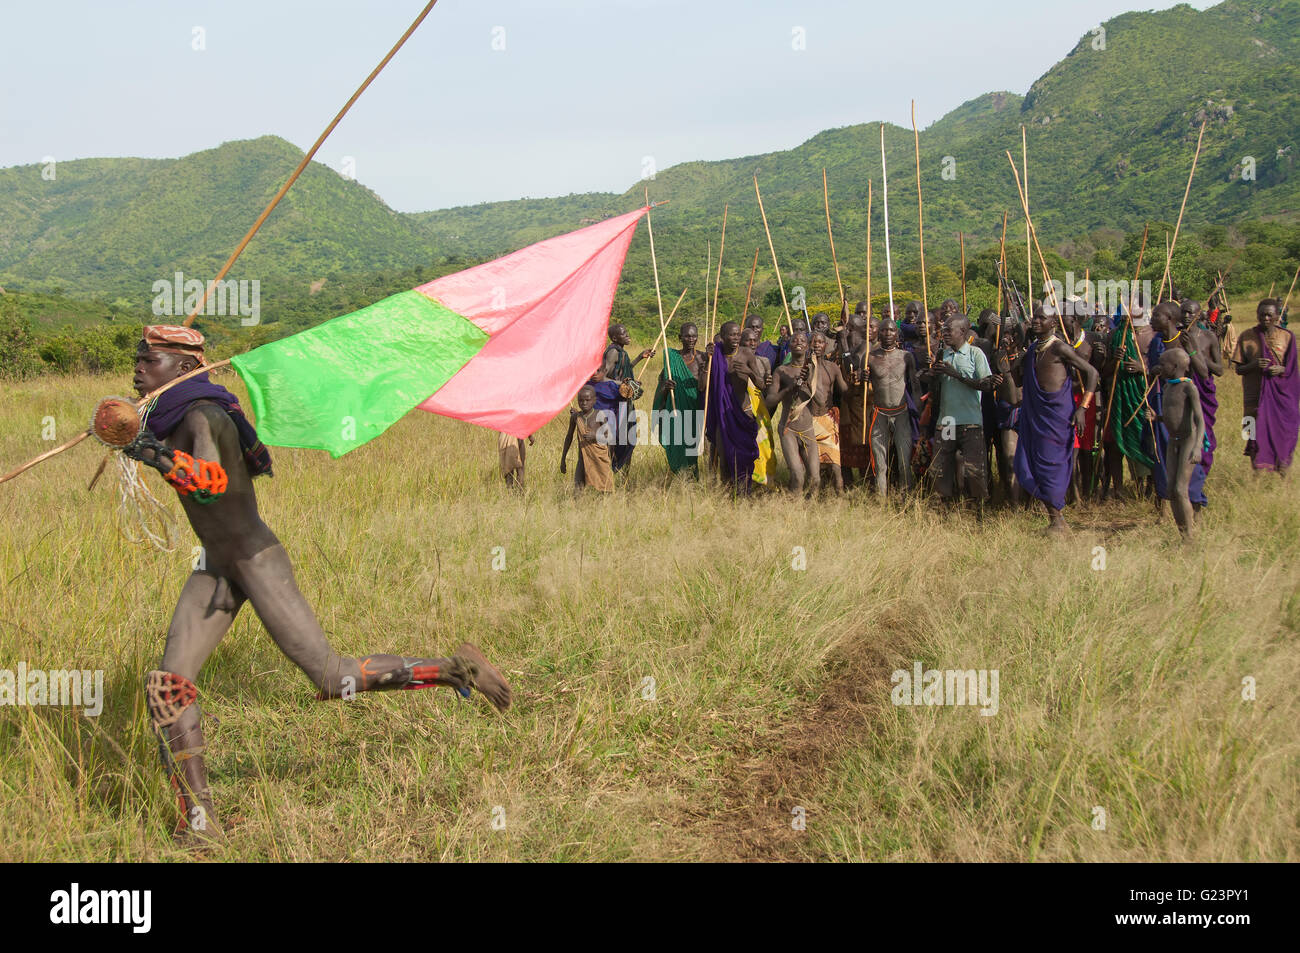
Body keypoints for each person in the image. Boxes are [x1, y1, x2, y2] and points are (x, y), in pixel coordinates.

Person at [126, 326, 511, 842]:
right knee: (168, 687)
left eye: (148, 359)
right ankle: (201, 825)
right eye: (138, 358)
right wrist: (135, 439)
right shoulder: (172, 414)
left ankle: (453, 669)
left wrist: (144, 449)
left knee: (332, 678)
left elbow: (210, 483)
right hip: (217, 566)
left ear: (181, 367)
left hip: (256, 562)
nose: (137, 367)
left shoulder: (203, 414)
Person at [1013, 307, 1100, 531]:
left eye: (1042, 317)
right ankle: (1055, 518)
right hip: (1035, 415)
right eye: (1036, 316)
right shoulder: (1032, 349)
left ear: (1054, 323)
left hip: (1058, 416)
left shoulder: (1060, 347)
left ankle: (1057, 518)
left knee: (1052, 465)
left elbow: (1092, 373)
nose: (1036, 320)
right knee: (1026, 464)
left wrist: (1083, 407)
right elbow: (1018, 378)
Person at [924, 315, 1000, 517]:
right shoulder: (942, 354)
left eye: (950, 330)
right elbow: (935, 388)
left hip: (970, 422)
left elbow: (986, 384)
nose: (945, 333)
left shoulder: (975, 354)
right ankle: (943, 510)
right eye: (944, 330)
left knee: (974, 470)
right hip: (947, 421)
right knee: (941, 468)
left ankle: (978, 511)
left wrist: (955, 373)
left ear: (963, 332)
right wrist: (933, 376)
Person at [1233, 299, 1299, 475]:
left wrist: (1281, 369)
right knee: (1249, 430)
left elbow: (1292, 368)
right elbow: (1238, 369)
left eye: (1270, 315)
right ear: (1257, 315)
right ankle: (1255, 471)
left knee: (1282, 431)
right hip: (1252, 394)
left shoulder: (1287, 336)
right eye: (1262, 314)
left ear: (1278, 316)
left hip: (1280, 395)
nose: (1266, 318)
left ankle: (1282, 468)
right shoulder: (1246, 336)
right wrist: (1254, 365)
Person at [706, 321, 764, 494]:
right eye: (732, 335)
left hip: (743, 413)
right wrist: (707, 360)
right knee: (724, 457)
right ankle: (728, 493)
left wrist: (749, 372)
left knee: (745, 456)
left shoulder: (746, 354)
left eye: (738, 334)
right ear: (722, 337)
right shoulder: (715, 354)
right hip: (722, 414)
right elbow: (704, 386)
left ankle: (744, 492)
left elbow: (761, 384)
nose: (736, 338)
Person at [1155, 348, 1204, 541]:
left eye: (1163, 363)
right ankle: (1182, 533)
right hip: (1173, 440)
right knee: (1170, 490)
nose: (1160, 367)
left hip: (1188, 440)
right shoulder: (1168, 387)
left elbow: (1199, 420)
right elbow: (1171, 416)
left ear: (1175, 367)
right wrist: (1156, 417)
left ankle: (1190, 536)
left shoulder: (1188, 388)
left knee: (1180, 489)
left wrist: (1198, 446)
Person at [867, 318, 919, 496]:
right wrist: (862, 377)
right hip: (879, 413)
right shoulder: (870, 357)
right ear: (878, 333)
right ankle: (881, 501)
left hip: (901, 413)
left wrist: (919, 414)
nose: (887, 334)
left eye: (891, 331)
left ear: (897, 334)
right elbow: (862, 385)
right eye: (883, 330)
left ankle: (907, 498)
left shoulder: (906, 356)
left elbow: (915, 385)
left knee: (904, 461)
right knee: (881, 464)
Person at [1181, 298, 1224, 510]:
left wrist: (1196, 354)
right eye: (1183, 312)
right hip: (1181, 395)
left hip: (1203, 393)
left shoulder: (1208, 337)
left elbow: (1220, 369)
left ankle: (1198, 486)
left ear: (1199, 315)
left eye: (1190, 313)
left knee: (1204, 443)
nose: (1186, 316)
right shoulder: (1176, 336)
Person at [766, 331, 819, 494]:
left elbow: (822, 401)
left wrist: (810, 382)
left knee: (815, 478)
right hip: (788, 428)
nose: (798, 342)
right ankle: (793, 511)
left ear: (808, 346)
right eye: (794, 340)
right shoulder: (781, 371)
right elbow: (770, 400)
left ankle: (811, 512)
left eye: (803, 340)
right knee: (797, 475)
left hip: (808, 428)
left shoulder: (815, 369)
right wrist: (790, 388)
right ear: (789, 345)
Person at [653, 322, 707, 475]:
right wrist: (665, 386)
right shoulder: (672, 358)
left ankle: (693, 476)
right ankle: (681, 476)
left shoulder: (703, 357)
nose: (691, 339)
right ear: (680, 337)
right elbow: (661, 382)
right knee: (677, 443)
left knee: (693, 446)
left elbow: (707, 385)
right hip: (676, 409)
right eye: (687, 336)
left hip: (695, 407)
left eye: (694, 336)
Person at [600, 324, 655, 472]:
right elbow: (602, 377)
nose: (628, 335)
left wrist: (639, 358)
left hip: (625, 400)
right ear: (615, 338)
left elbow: (623, 370)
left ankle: (624, 479)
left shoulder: (621, 352)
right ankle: (610, 474)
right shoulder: (612, 352)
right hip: (617, 403)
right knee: (620, 440)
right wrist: (625, 383)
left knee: (629, 439)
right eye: (624, 333)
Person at [808, 329, 850, 493]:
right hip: (808, 421)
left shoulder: (832, 368)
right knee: (812, 465)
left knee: (835, 465)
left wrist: (852, 381)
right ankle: (813, 495)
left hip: (827, 419)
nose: (816, 345)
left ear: (826, 346)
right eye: (814, 342)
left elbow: (845, 390)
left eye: (820, 342)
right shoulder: (804, 368)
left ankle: (840, 497)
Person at [561, 384, 616, 492]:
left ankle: (605, 507)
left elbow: (609, 437)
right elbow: (569, 437)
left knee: (605, 488)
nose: (584, 403)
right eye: (581, 400)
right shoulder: (576, 417)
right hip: (582, 458)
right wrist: (563, 459)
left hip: (600, 458)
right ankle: (579, 508)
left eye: (587, 400)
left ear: (594, 400)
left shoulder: (599, 415)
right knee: (578, 488)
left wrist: (595, 436)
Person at [740, 327, 777, 486]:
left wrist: (766, 383)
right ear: (741, 341)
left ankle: (765, 482)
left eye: (755, 340)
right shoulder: (736, 360)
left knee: (765, 444)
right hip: (741, 406)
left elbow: (765, 388)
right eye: (748, 340)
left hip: (759, 407)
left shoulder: (764, 361)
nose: (752, 343)